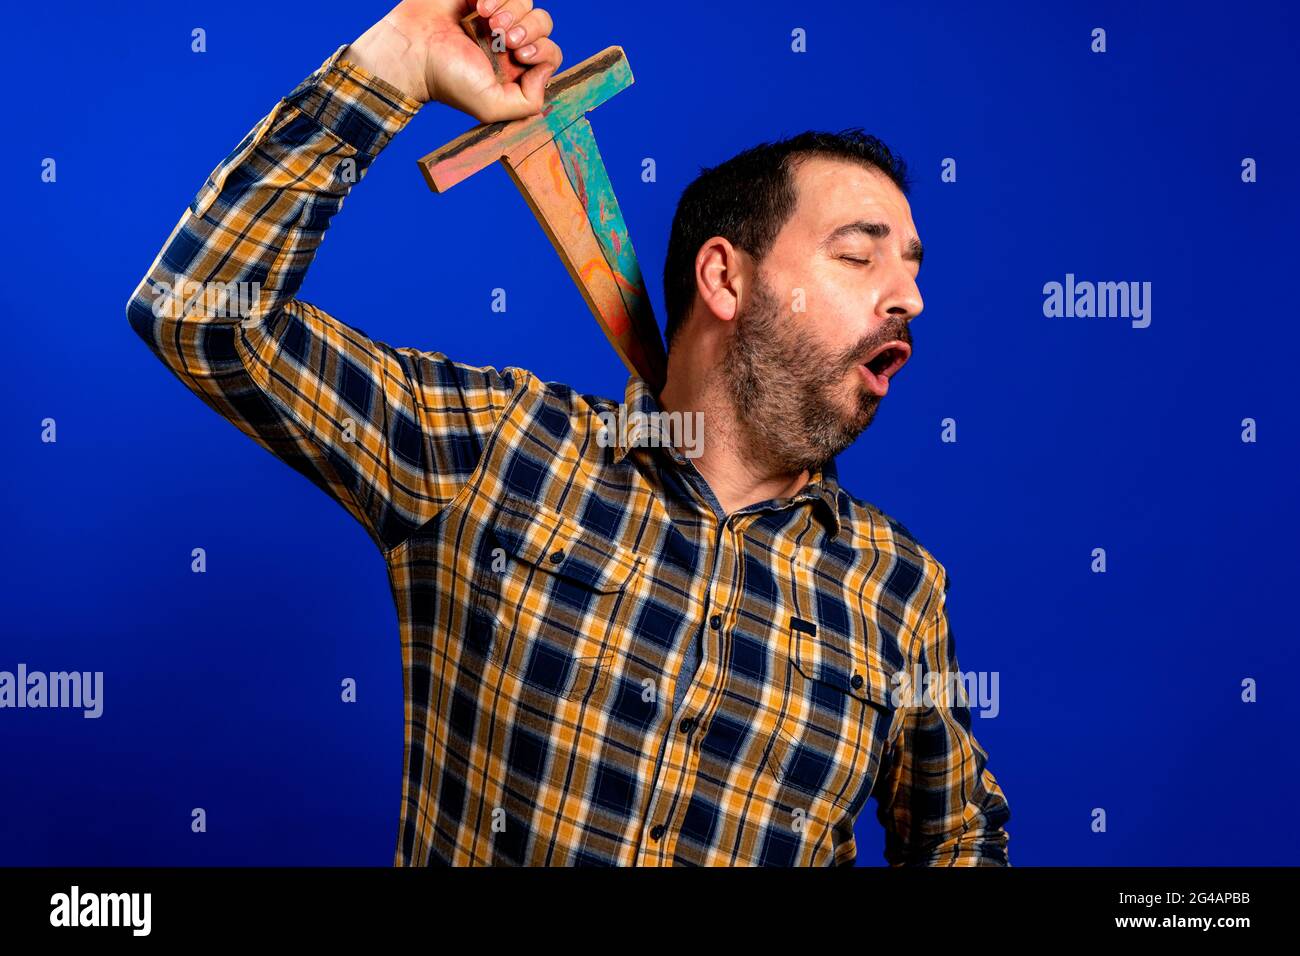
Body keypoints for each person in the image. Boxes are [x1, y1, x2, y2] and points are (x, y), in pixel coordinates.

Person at [126, 0, 1011, 866]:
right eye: (859, 255)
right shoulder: (496, 451)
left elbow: (960, 838)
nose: (910, 297)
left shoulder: (900, 591)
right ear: (724, 281)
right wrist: (396, 60)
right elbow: (201, 317)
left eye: (912, 266)